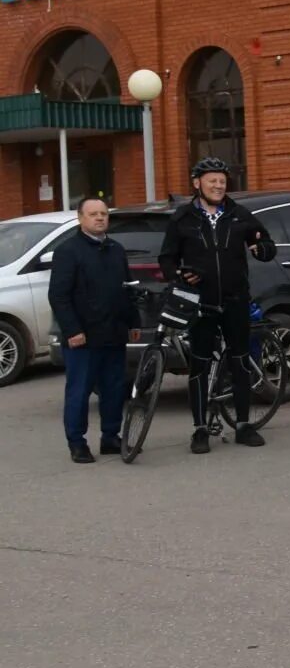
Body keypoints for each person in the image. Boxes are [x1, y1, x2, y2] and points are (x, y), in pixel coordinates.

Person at [159, 157, 276, 453]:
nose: (218, 185)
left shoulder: (239, 214)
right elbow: (166, 258)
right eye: (212, 181)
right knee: (200, 365)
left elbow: (267, 246)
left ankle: (243, 425)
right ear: (197, 183)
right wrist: (179, 275)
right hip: (201, 303)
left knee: (239, 363)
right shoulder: (183, 218)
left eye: (222, 181)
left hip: (235, 300)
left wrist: (261, 248)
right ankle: (199, 429)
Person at [49, 195, 140, 463]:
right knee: (79, 391)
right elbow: (59, 296)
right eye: (93, 214)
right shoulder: (68, 251)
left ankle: (110, 437)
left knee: (114, 389)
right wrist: (72, 330)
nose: (100, 218)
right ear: (80, 218)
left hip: (113, 333)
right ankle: (77, 442)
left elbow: (126, 289)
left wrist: (132, 321)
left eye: (103, 214)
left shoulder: (115, 249)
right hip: (83, 337)